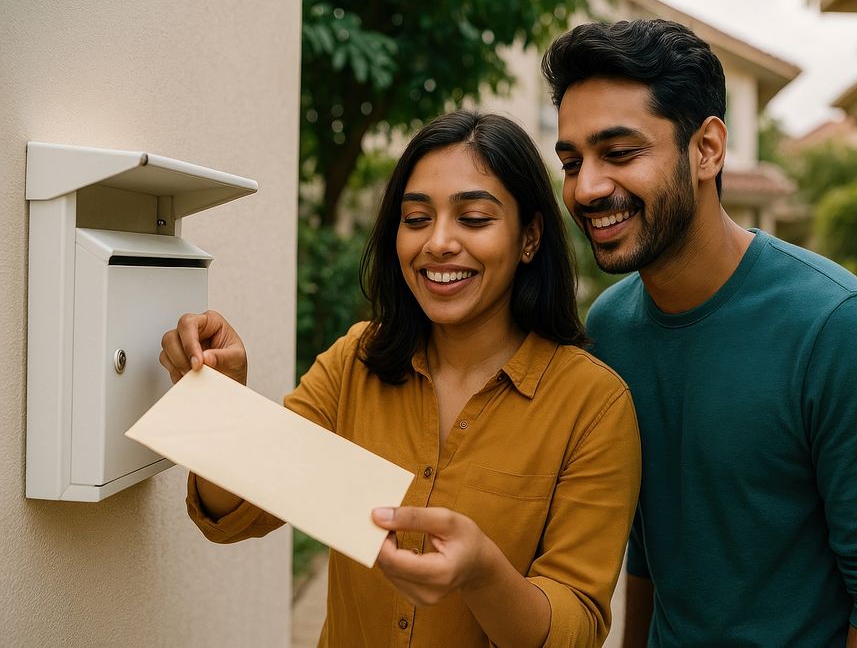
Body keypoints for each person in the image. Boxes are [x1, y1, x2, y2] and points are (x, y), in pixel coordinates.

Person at [159, 109, 641, 647]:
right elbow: (238, 512)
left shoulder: (594, 406)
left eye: (473, 218)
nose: (438, 242)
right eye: (416, 219)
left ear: (529, 237)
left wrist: (483, 573)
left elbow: (576, 628)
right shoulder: (355, 361)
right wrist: (219, 399)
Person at [541, 20, 857, 648]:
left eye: (619, 153)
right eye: (572, 162)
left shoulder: (844, 331)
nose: (586, 188)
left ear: (707, 149)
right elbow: (648, 544)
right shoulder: (610, 329)